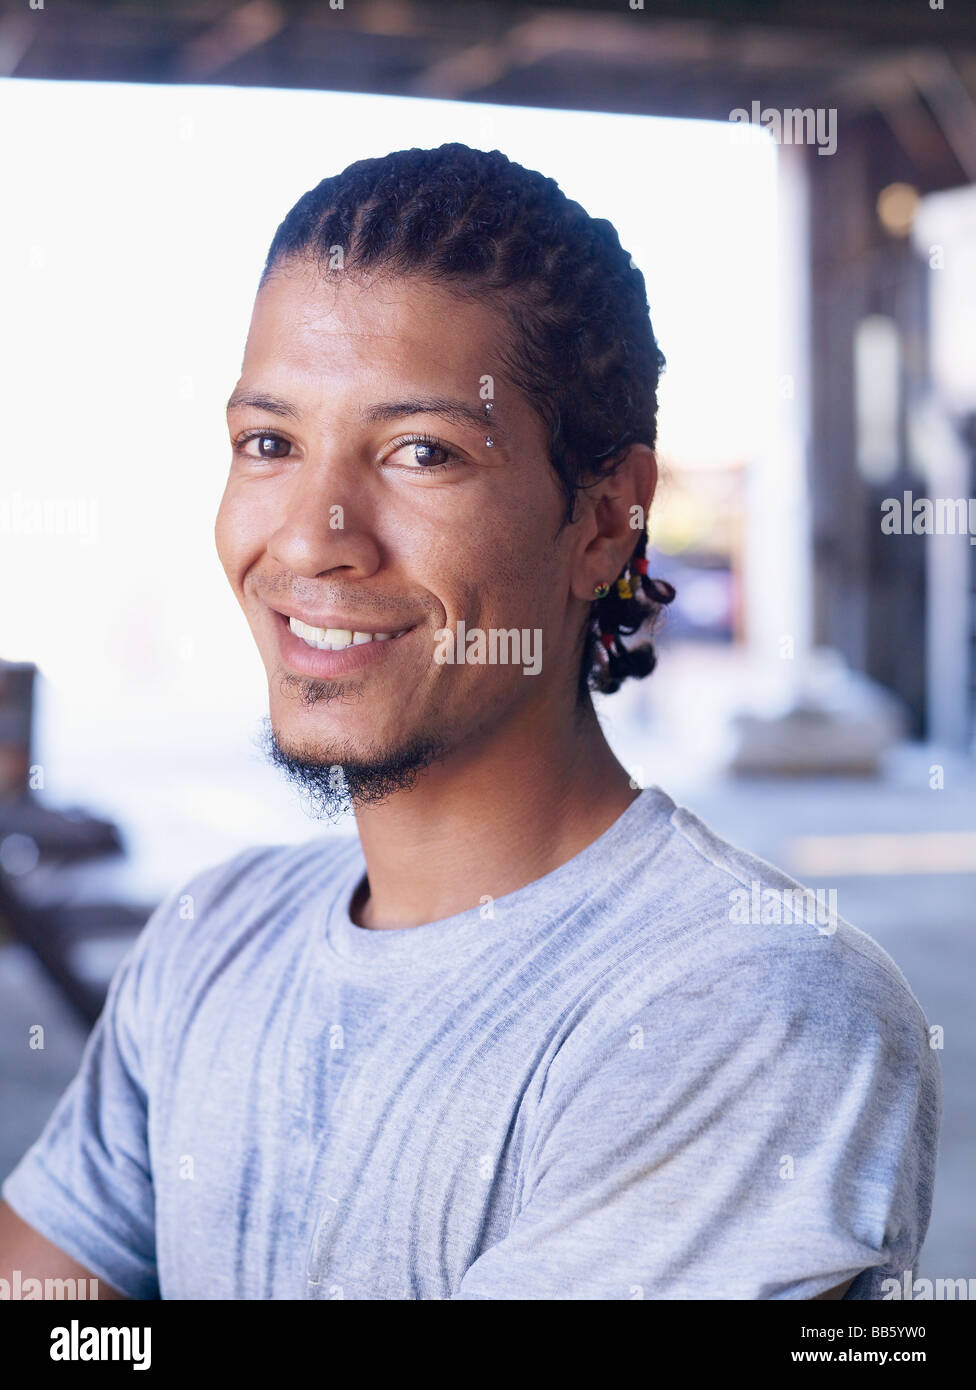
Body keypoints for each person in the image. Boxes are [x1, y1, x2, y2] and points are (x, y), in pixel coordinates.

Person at [0, 143, 940, 1300]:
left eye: (420, 451)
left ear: (603, 521)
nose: (309, 537)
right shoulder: (210, 935)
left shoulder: (750, 1005)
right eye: (270, 444)